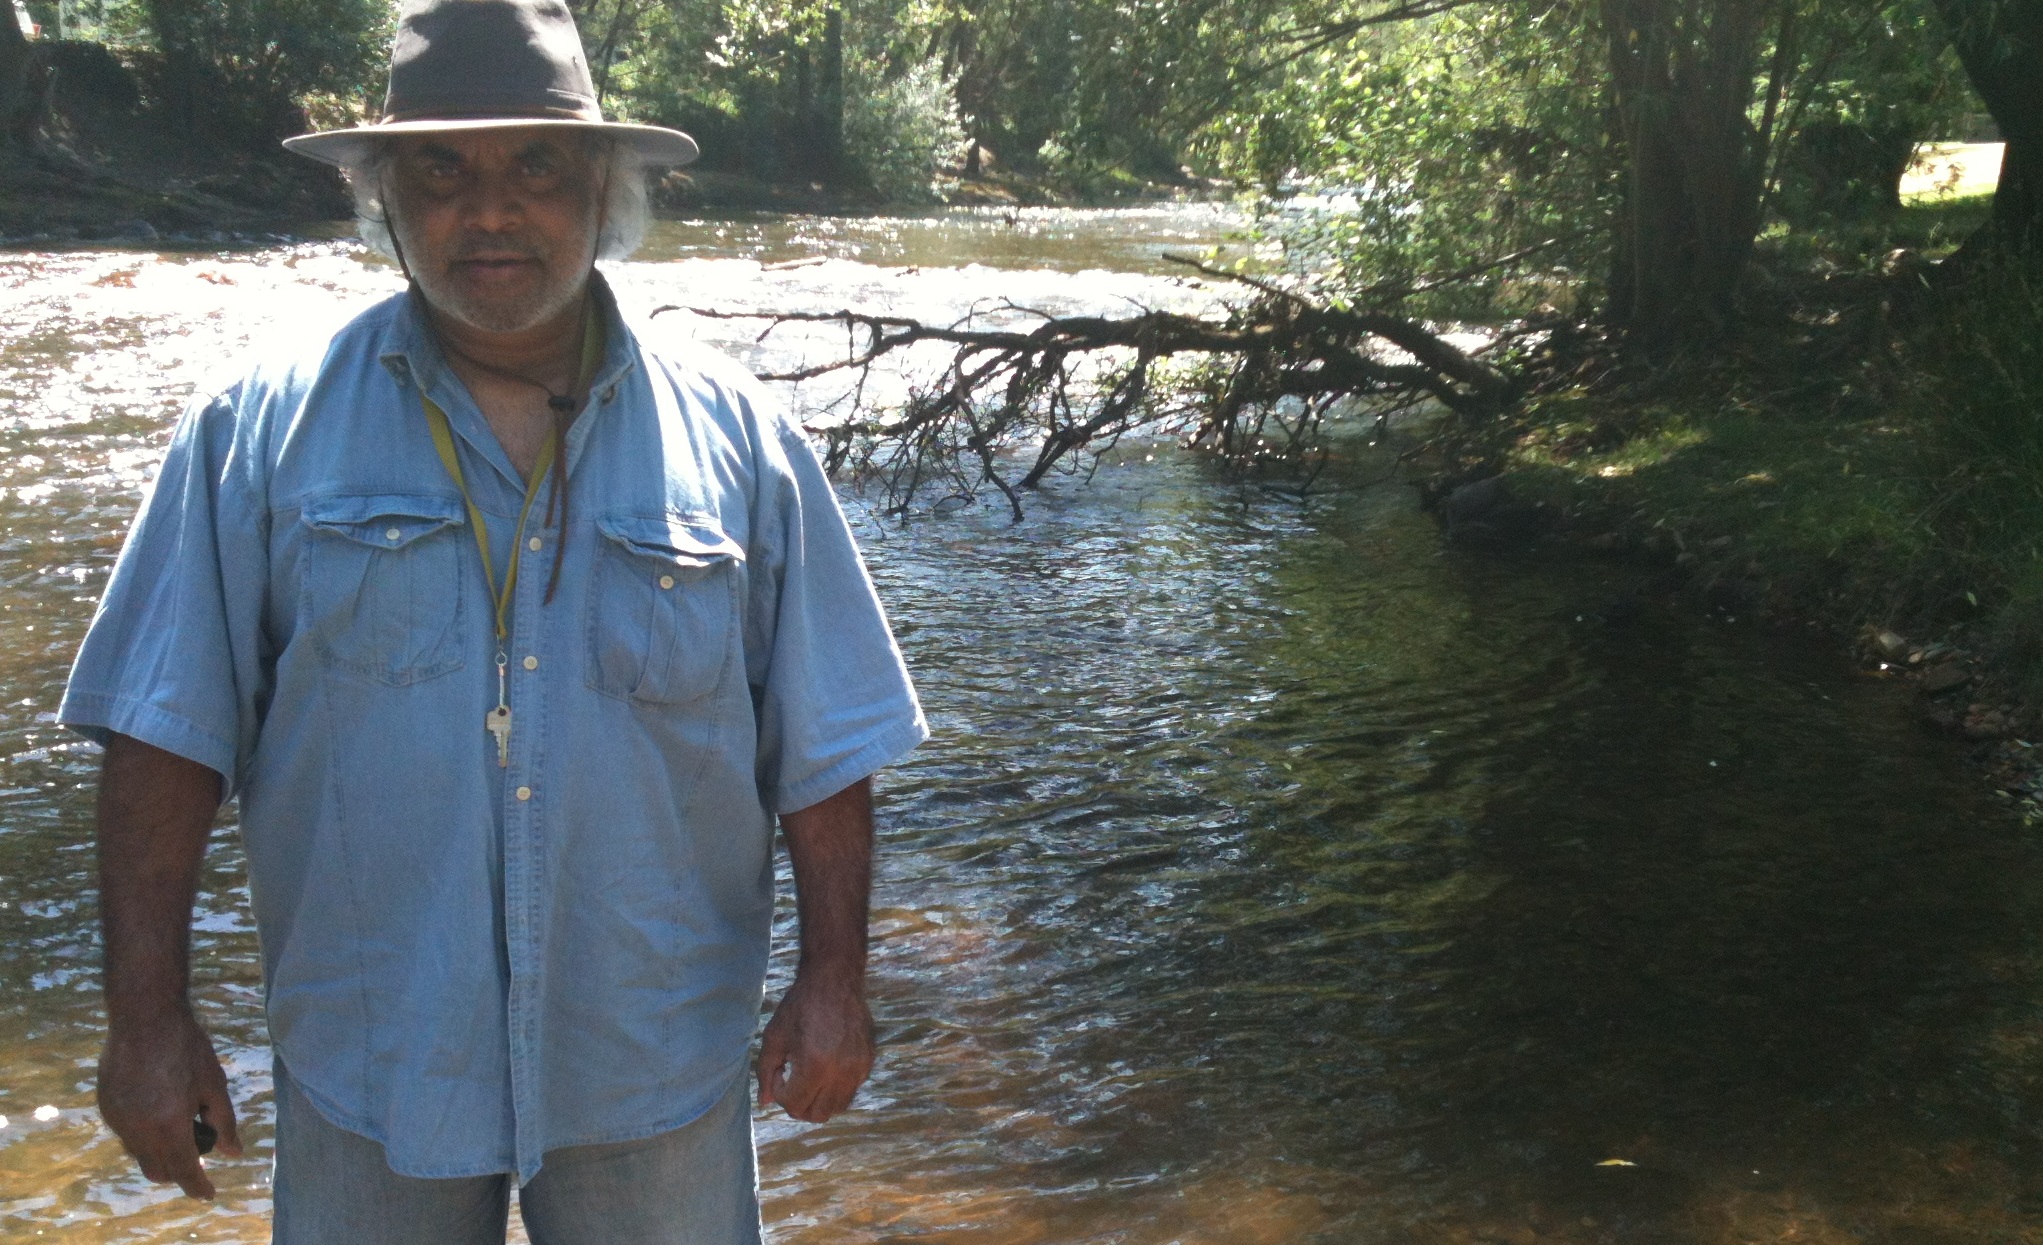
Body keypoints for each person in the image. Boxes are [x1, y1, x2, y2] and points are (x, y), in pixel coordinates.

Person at [57, 0, 927, 1240]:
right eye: (442, 167)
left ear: (603, 189)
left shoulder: (743, 446)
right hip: (374, 1072)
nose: (491, 207)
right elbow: (161, 740)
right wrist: (146, 1021)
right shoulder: (252, 435)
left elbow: (826, 742)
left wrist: (835, 982)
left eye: (537, 164)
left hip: (653, 1070)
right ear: (386, 199)